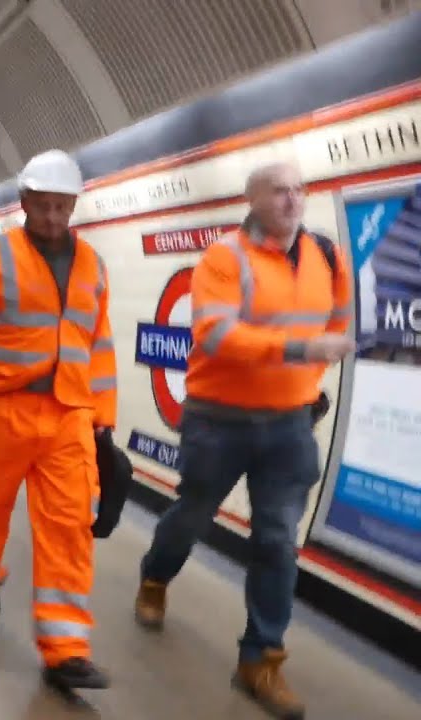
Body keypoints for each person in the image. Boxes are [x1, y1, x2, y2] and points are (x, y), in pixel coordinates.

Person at [134, 161, 353, 720]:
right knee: (193, 514)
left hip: (288, 425)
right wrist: (299, 351)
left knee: (277, 540)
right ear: (252, 199)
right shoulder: (224, 258)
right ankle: (156, 576)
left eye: (299, 190)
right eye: (279, 191)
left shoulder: (328, 258)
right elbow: (216, 334)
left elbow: (338, 324)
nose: (292, 200)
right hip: (219, 421)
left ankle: (261, 659)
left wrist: (305, 382)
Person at [0, 149, 117, 690]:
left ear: (74, 205)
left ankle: (65, 648)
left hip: (68, 416)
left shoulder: (93, 266)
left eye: (63, 207)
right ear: (24, 203)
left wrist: (102, 416)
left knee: (70, 526)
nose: (54, 217)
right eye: (44, 206)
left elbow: (99, 344)